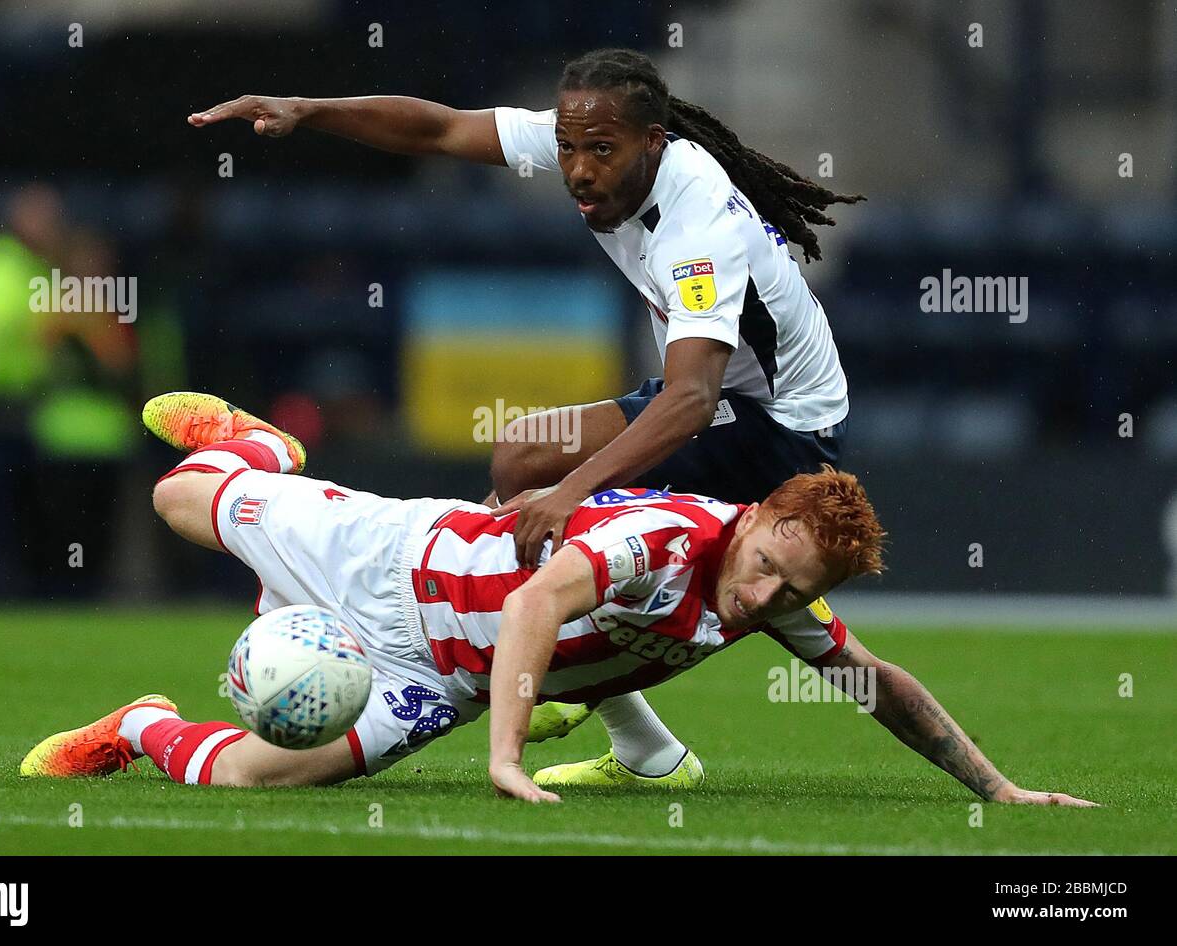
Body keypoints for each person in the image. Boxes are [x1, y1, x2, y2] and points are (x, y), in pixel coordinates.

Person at [185, 47, 863, 787]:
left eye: (599, 150)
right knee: (530, 465)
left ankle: (541, 681)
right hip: (723, 401)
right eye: (568, 147)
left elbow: (691, 400)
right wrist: (310, 110)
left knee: (542, 480)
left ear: (652, 143)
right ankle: (639, 748)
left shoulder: (694, 225)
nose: (577, 168)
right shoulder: (592, 138)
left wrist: (571, 494)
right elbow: (439, 131)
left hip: (782, 430)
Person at [21, 393, 1094, 808]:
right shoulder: (668, 535)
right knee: (172, 497)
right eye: (770, 558)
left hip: (427, 676)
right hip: (396, 560)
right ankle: (258, 446)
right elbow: (537, 604)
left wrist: (994, 786)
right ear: (759, 509)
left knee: (258, 775)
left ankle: (139, 725)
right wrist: (505, 754)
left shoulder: (769, 601)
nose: (765, 589)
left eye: (791, 588)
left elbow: (876, 682)